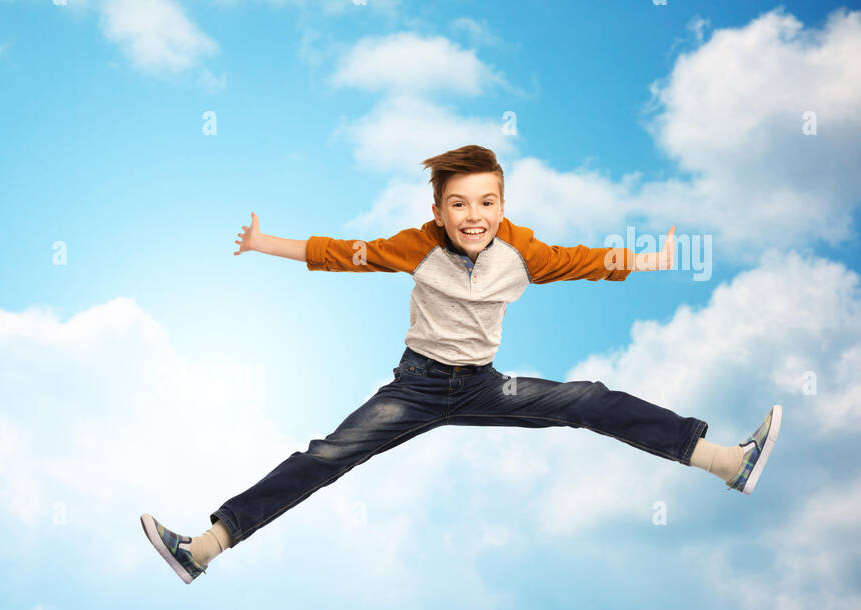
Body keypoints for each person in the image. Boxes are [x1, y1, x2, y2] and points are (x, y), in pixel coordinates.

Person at [140, 145, 781, 585]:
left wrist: (643, 261)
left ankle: (726, 461)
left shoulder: (521, 251)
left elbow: (580, 260)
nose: (473, 216)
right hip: (415, 388)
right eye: (459, 204)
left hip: (484, 388)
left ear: (501, 206)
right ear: (439, 211)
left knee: (590, 399)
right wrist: (262, 242)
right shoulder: (414, 247)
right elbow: (339, 252)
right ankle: (204, 548)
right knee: (326, 457)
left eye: (486, 203)